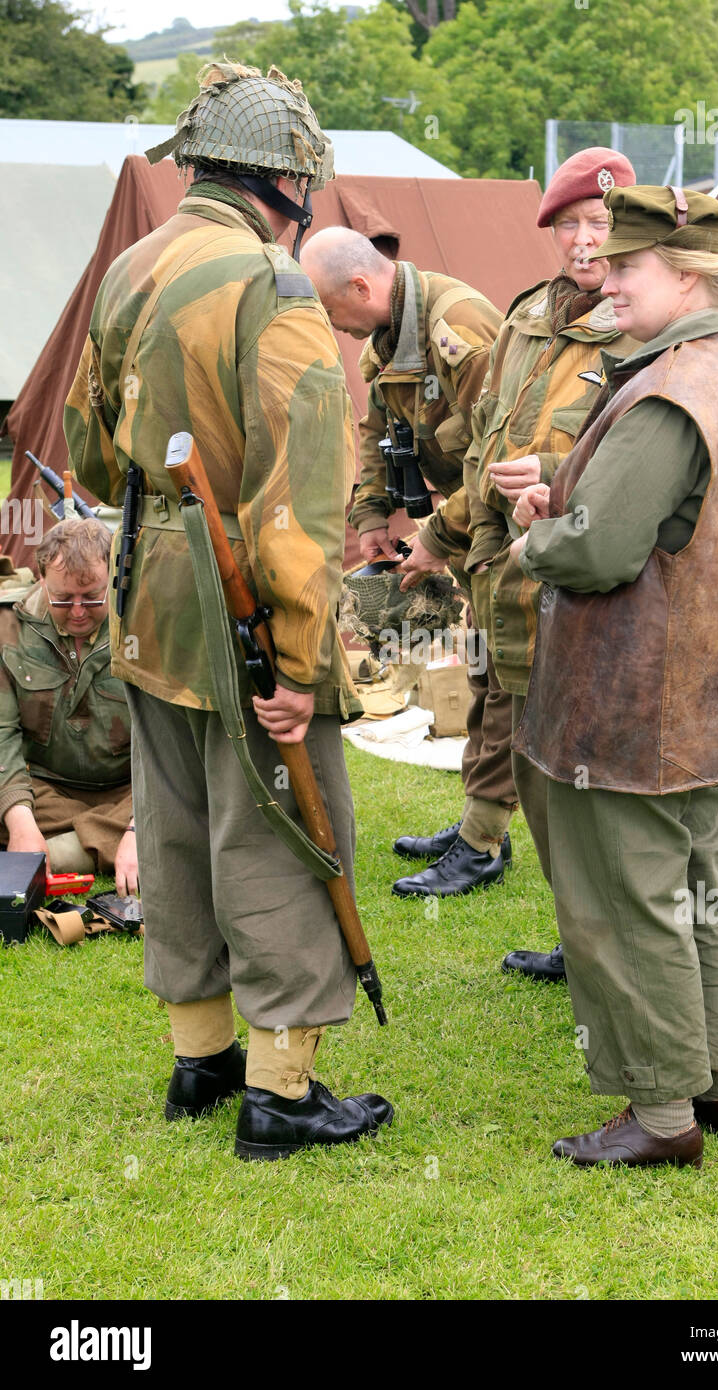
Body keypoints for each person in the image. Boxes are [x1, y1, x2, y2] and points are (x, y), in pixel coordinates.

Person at [64, 62, 392, 1161]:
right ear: (289, 181)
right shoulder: (273, 283)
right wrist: (298, 662)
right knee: (281, 835)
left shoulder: (128, 268)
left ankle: (199, 1056)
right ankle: (280, 1093)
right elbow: (296, 500)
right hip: (243, 599)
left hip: (145, 595)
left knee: (177, 826)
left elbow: (84, 453)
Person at [511, 185, 718, 1167]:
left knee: (623, 905)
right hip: (702, 699)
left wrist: (533, 528)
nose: (605, 278)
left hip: (626, 705)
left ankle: (659, 1117)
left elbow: (594, 554)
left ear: (690, 278)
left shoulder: (666, 391)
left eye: (626, 267)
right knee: (698, 891)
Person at [301, 227, 518, 898]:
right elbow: (375, 433)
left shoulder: (457, 327)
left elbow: (501, 452)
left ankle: (481, 845)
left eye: (333, 311)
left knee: (506, 681)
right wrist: (371, 519)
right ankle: (481, 826)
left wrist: (436, 537)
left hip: (506, 527)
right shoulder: (387, 338)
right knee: (483, 678)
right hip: (467, 528)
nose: (335, 328)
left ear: (362, 288)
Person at [464, 147, 638, 978]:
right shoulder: (529, 313)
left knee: (583, 776)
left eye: (599, 224)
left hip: (586, 585)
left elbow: (642, 469)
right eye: (568, 224)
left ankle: (605, 946)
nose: (582, 240)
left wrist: (560, 484)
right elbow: (483, 438)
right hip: (511, 576)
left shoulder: (642, 326)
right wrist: (453, 539)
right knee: (538, 775)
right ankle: (581, 940)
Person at [0, 518, 138, 893]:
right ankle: (82, 846)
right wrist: (21, 822)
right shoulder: (9, 626)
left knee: (197, 810)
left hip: (130, 793)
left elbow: (172, 746)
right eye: (62, 599)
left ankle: (57, 853)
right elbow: (2, 736)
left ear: (113, 577)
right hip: (43, 791)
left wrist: (139, 828)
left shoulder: (146, 624)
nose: (78, 611)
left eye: (92, 597)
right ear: (42, 579)